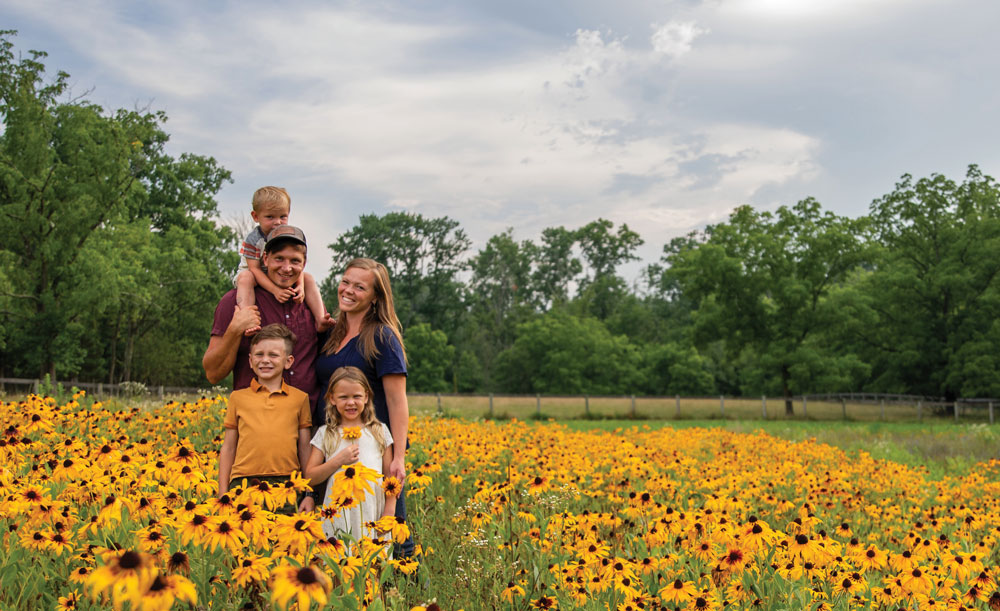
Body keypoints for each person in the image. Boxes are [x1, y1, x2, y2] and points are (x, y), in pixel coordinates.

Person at [314, 257, 413, 556]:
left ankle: (403, 595)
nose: (348, 290)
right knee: (339, 530)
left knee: (389, 529)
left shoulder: (382, 336)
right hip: (332, 446)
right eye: (346, 282)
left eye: (360, 286)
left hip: (373, 451)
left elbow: (397, 401)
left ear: (375, 297)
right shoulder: (332, 335)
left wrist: (398, 458)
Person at [203, 225, 331, 410]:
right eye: (279, 259)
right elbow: (213, 374)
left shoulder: (312, 304)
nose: (287, 268)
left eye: (295, 261)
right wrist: (235, 329)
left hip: (307, 425)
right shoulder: (236, 301)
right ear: (265, 258)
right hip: (256, 425)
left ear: (303, 265)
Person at [217, 324, 313, 513]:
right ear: (251, 361)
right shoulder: (238, 398)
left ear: (288, 361)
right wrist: (222, 493)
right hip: (244, 482)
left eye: (274, 355)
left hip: (287, 484)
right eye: (259, 355)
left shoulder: (300, 398)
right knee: (247, 541)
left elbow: (305, 449)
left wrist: (309, 494)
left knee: (285, 539)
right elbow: (228, 447)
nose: (265, 360)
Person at [304, 366, 396, 548]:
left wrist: (389, 510)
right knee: (340, 564)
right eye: (343, 397)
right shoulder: (326, 434)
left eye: (356, 396)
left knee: (373, 563)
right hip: (338, 512)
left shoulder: (379, 431)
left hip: (372, 511)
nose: (351, 403)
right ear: (332, 399)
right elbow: (310, 476)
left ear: (366, 397)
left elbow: (390, 477)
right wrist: (339, 460)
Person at [234, 186, 328, 334]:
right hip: (255, 273)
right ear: (256, 216)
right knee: (245, 278)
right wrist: (276, 291)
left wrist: (301, 287)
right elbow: (254, 269)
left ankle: (321, 318)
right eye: (270, 217)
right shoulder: (253, 239)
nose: (277, 222)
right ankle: (247, 320)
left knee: (308, 277)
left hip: (277, 273)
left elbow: (298, 266)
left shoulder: (289, 234)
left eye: (283, 217)